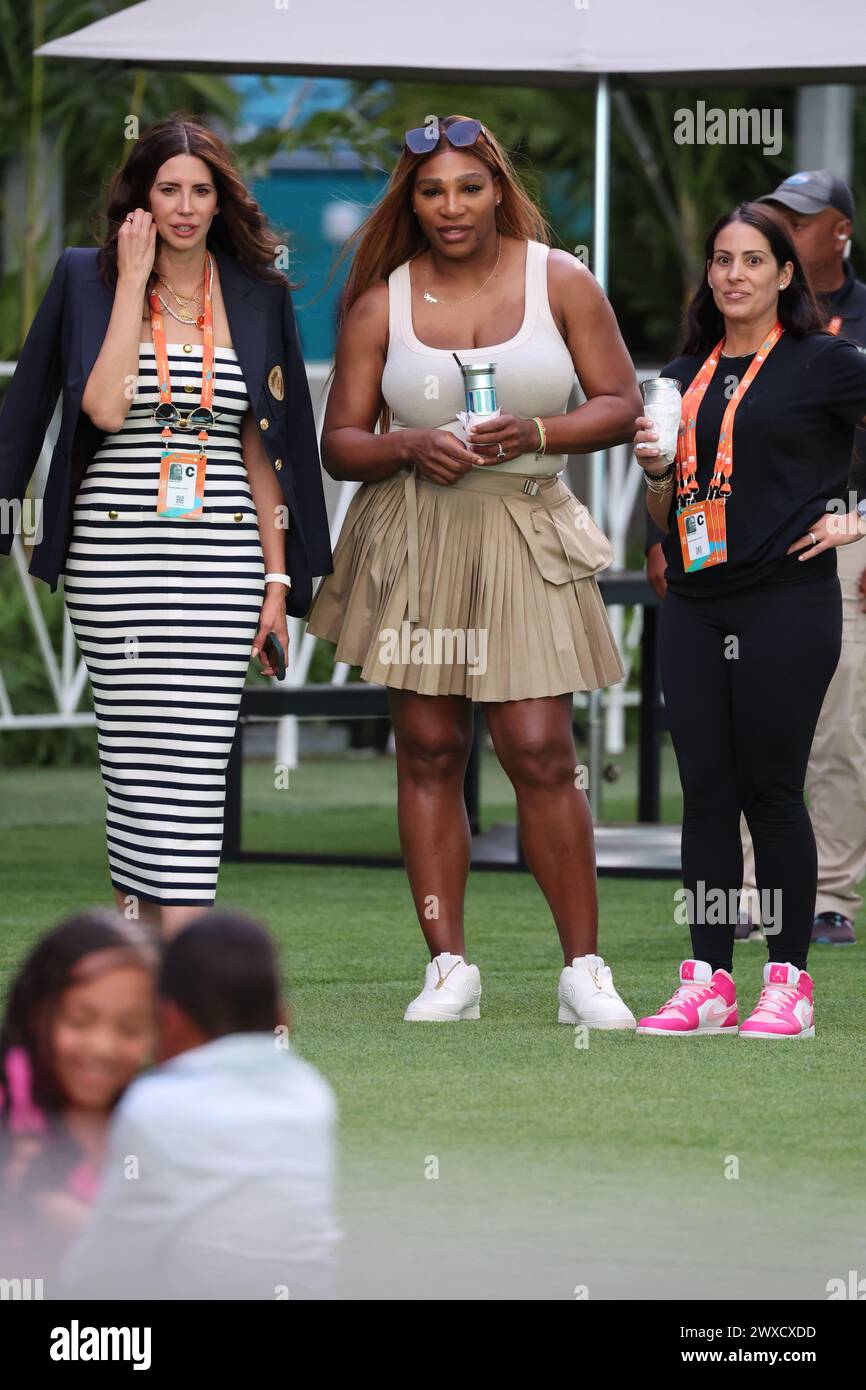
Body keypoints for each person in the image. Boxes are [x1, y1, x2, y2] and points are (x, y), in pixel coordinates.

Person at [305, 114, 642, 1027]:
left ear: (498, 187)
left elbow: (617, 404)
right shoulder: (383, 299)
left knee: (540, 749)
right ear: (410, 202)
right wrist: (409, 444)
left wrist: (535, 430)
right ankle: (448, 964)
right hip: (419, 536)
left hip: (525, 531)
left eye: (468, 186)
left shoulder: (559, 279)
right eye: (430, 191)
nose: (451, 207)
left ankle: (585, 971)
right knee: (430, 750)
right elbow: (339, 442)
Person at [0, 114, 332, 937]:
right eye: (168, 189)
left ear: (222, 201)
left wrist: (276, 580)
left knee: (191, 763)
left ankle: (179, 949)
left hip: (222, 555)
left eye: (201, 191)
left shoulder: (256, 295)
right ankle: (149, 951)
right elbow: (103, 406)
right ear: (141, 198)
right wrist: (130, 282)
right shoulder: (88, 277)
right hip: (114, 557)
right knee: (135, 766)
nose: (185, 207)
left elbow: (267, 446)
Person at [632, 203, 866, 1039]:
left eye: (754, 261)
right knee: (705, 793)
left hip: (786, 600)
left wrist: (856, 519)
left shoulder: (823, 362)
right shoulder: (682, 374)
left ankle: (788, 980)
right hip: (695, 602)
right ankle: (706, 979)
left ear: (785, 275)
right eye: (722, 260)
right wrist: (656, 473)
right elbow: (667, 509)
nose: (734, 275)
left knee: (772, 790)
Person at [61, 912, 340, 1300]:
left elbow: (109, 1259)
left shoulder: (154, 1107)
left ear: (170, 1019)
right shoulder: (312, 1095)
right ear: (282, 1020)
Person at [744, 171, 866, 947]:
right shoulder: (757, 312)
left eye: (800, 219)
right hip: (752, 541)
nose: (784, 229)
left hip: (846, 532)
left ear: (840, 233)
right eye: (777, 219)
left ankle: (830, 896)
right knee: (754, 720)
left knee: (838, 727)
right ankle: (756, 897)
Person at [0, 911, 157, 1293]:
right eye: (79, 1021)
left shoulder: (153, 1105)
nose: (102, 1048)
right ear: (39, 1012)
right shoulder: (13, 1088)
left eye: (130, 1029)